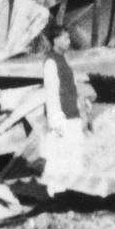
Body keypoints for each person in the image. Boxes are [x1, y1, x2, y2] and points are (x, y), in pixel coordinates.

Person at [41, 24, 87, 181]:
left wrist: (81, 109)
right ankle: (56, 196)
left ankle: (73, 195)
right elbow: (51, 94)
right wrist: (56, 122)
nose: (69, 41)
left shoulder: (64, 60)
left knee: (75, 159)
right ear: (55, 40)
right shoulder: (51, 63)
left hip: (72, 116)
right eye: (65, 38)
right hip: (62, 119)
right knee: (59, 159)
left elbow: (72, 88)